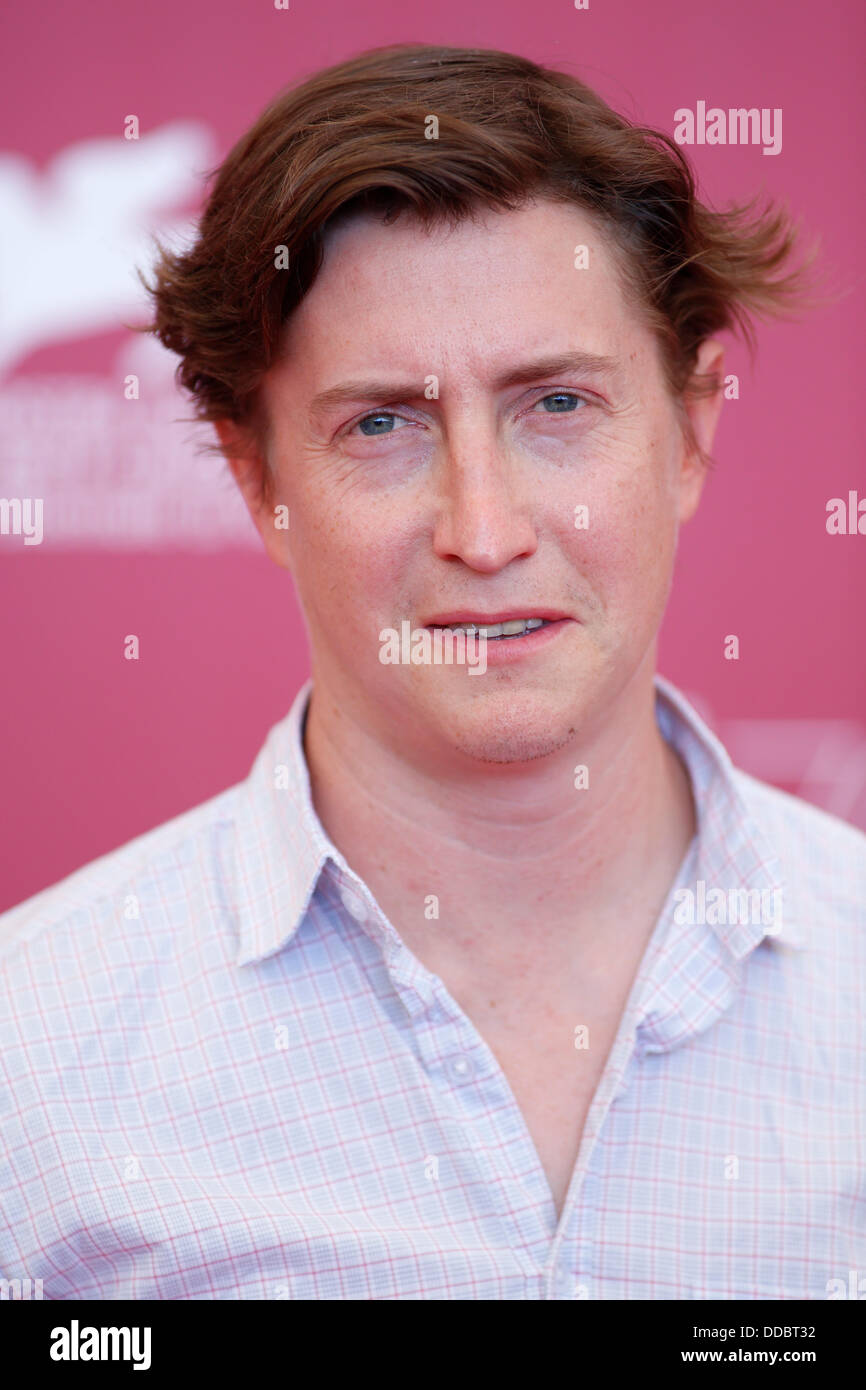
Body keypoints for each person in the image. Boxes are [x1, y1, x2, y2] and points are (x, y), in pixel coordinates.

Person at [1, 43, 863, 1302]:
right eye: (381, 426)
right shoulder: (32, 1058)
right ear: (259, 483)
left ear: (686, 432)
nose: (484, 526)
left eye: (556, 405)